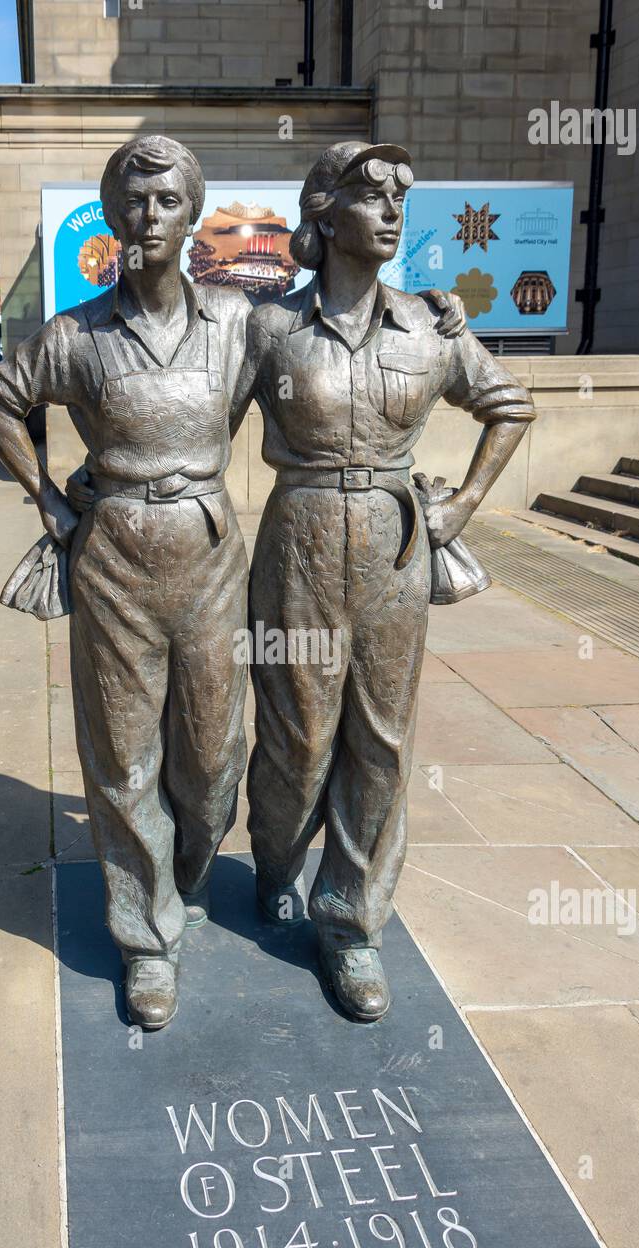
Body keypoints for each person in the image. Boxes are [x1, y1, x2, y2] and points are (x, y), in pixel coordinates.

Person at [230, 142, 536, 1023]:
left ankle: (351, 923)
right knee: (296, 737)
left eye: (403, 195)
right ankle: (276, 861)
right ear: (324, 215)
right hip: (299, 541)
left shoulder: (433, 327)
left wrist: (463, 506)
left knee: (382, 741)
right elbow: (202, 421)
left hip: (397, 552)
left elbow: (508, 406)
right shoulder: (269, 329)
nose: (394, 209)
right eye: (372, 195)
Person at [0, 136, 254, 1030]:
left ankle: (186, 876)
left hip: (209, 555)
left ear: (192, 213)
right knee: (125, 754)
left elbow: (330, 327)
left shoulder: (239, 321)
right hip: (114, 559)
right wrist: (52, 504)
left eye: (167, 201)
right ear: (111, 217)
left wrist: (433, 313)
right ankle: (146, 937)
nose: (148, 217)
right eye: (131, 203)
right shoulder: (77, 335)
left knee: (212, 756)